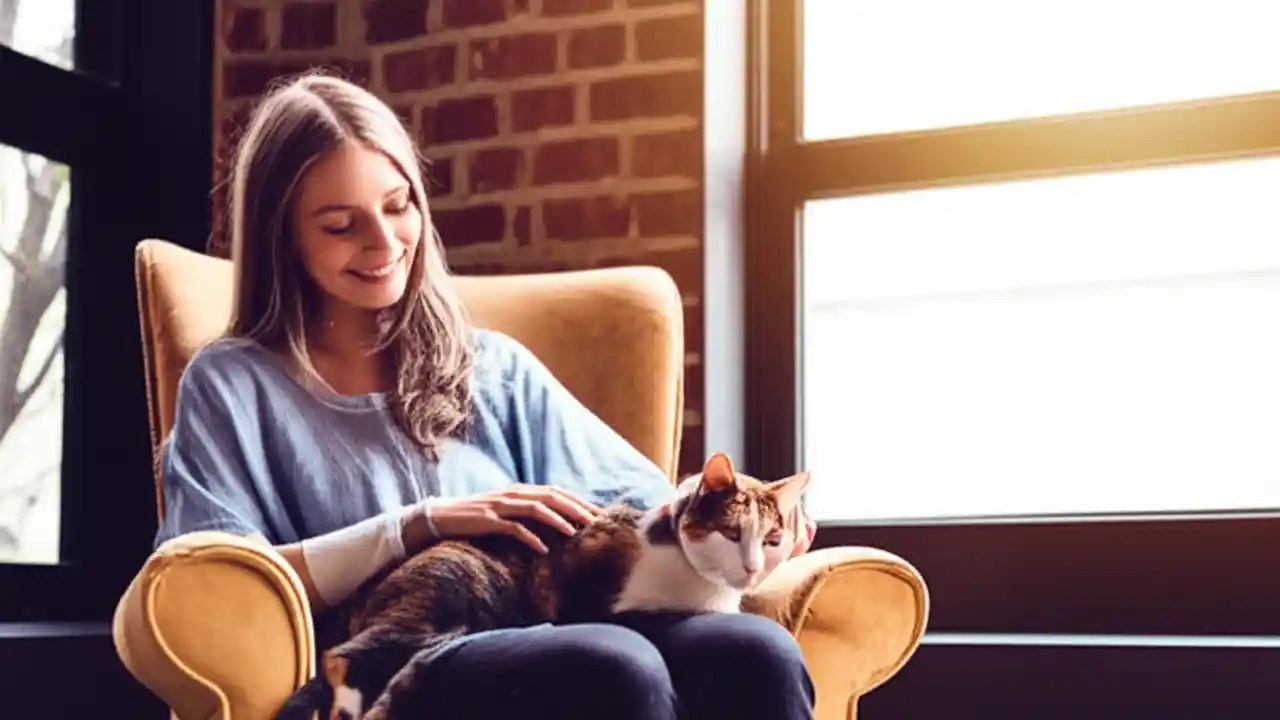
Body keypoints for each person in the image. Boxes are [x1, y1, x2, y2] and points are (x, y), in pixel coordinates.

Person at [155, 71, 817, 719]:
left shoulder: (490, 365)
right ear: (284, 237)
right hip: (400, 656)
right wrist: (418, 524)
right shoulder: (232, 384)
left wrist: (749, 530)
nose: (385, 243)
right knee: (612, 664)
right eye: (339, 225)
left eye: (398, 205)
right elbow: (214, 582)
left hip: (558, 620)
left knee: (756, 651)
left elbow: (647, 512)